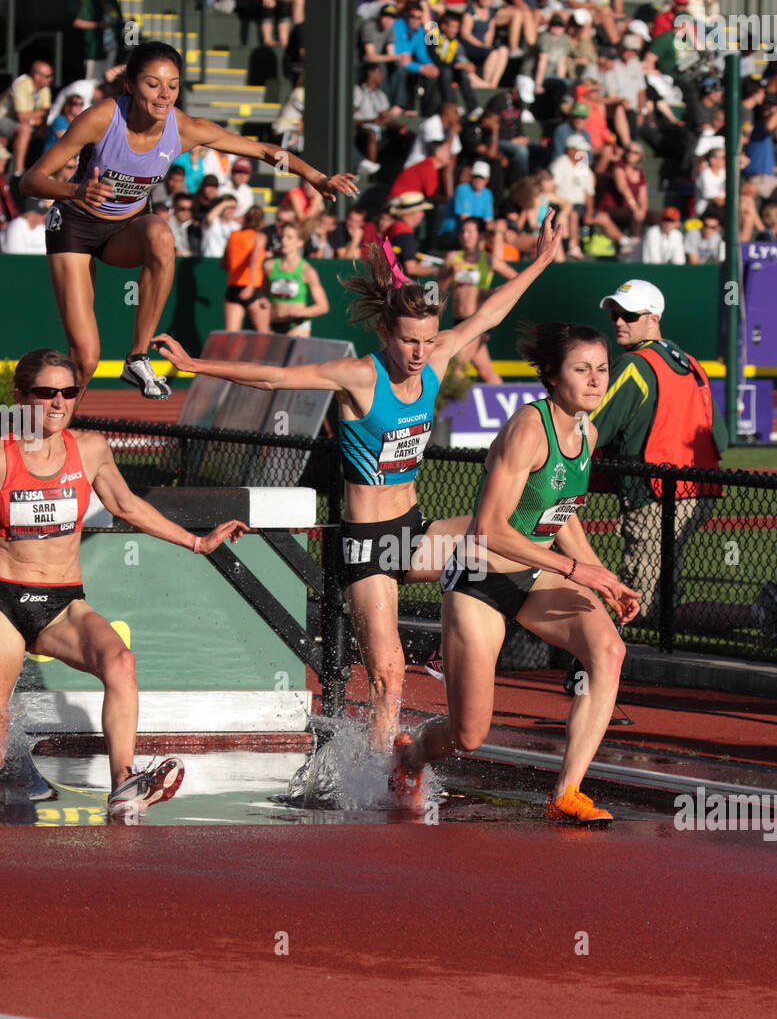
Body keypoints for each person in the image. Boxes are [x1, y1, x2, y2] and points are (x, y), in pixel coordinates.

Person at [152, 212, 562, 753]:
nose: (419, 353)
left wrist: (540, 261)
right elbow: (275, 377)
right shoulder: (359, 376)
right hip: (367, 545)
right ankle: (372, 782)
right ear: (386, 333)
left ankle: (503, 637)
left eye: (427, 340)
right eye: (409, 342)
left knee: (512, 534)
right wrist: (192, 363)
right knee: (389, 679)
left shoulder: (436, 356)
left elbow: (487, 314)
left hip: (412, 530)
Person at [391, 320, 639, 824]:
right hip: (481, 582)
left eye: (602, 369)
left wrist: (603, 575)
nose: (595, 380)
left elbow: (559, 516)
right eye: (581, 369)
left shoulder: (586, 432)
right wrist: (575, 570)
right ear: (551, 375)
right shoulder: (529, 429)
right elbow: (487, 529)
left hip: (534, 575)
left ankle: (566, 794)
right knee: (468, 736)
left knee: (609, 650)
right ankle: (410, 756)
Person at [18, 40, 356, 401]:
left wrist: (315, 176)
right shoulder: (102, 118)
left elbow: (261, 149)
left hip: (126, 229)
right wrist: (74, 191)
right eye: (153, 84)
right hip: (75, 226)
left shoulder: (183, 128)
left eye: (173, 85)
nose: (164, 95)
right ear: (130, 85)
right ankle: (62, 435)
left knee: (162, 235)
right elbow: (31, 181)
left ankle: (137, 356)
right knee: (86, 359)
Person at [0, 347, 248, 817]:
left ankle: (122, 783)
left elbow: (127, 505)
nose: (58, 403)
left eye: (68, 392)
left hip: (61, 602)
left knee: (120, 663)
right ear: (20, 397)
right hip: (4, 598)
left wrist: (197, 543)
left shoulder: (89, 449)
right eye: (46, 392)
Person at [590, 278, 729, 624]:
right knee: (664, 601)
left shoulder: (635, 364)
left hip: (653, 494)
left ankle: (756, 615)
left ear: (653, 317)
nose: (619, 322)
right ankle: (757, 614)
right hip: (696, 490)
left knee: (641, 609)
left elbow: (591, 427)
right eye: (615, 315)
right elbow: (721, 438)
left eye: (629, 315)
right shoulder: (692, 364)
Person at [438, 216, 515, 382]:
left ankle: (452, 407)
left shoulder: (487, 259)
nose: (466, 235)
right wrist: (451, 273)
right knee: (486, 371)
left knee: (455, 367)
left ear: (480, 235)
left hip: (479, 320)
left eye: (470, 231)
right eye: (463, 231)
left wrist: (489, 292)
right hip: (459, 320)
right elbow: (438, 288)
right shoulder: (452, 257)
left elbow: (516, 279)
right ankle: (508, 404)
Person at [262, 219, 329, 336]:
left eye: (289, 237)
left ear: (300, 242)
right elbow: (263, 294)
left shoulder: (307, 271)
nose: (284, 241)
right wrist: (263, 301)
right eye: (282, 237)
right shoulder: (269, 266)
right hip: (274, 326)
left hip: (297, 326)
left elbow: (323, 306)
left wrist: (302, 311)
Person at [0, 60, 53, 178]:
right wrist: (40, 114)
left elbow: (46, 116)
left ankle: (45, 171)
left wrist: (36, 118)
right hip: (3, 119)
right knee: (25, 129)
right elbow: (22, 116)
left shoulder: (45, 88)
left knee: (48, 130)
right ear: (37, 76)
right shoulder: (21, 84)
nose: (51, 79)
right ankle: (18, 172)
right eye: (48, 76)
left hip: (22, 123)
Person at [222, 206, 269, 332]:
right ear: (261, 221)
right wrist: (251, 285)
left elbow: (224, 263)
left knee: (232, 337)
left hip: (234, 287)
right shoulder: (259, 237)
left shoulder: (233, 235)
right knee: (263, 335)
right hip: (253, 288)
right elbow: (254, 259)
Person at [73, 0, 125, 81]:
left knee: (108, 80)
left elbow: (118, 20)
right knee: (92, 80)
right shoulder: (90, 0)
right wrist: (97, 25)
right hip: (94, 49)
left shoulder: (112, 1)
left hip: (110, 46)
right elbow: (77, 22)